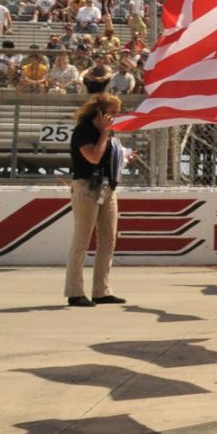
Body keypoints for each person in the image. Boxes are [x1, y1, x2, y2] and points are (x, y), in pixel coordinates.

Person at [64, 91, 127, 307]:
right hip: (87, 187)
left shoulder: (109, 133)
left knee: (108, 239)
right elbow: (93, 157)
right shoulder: (85, 130)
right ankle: (75, 291)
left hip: (107, 187)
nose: (115, 118)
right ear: (100, 112)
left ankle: (102, 289)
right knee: (82, 239)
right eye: (112, 113)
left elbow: (108, 158)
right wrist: (102, 133)